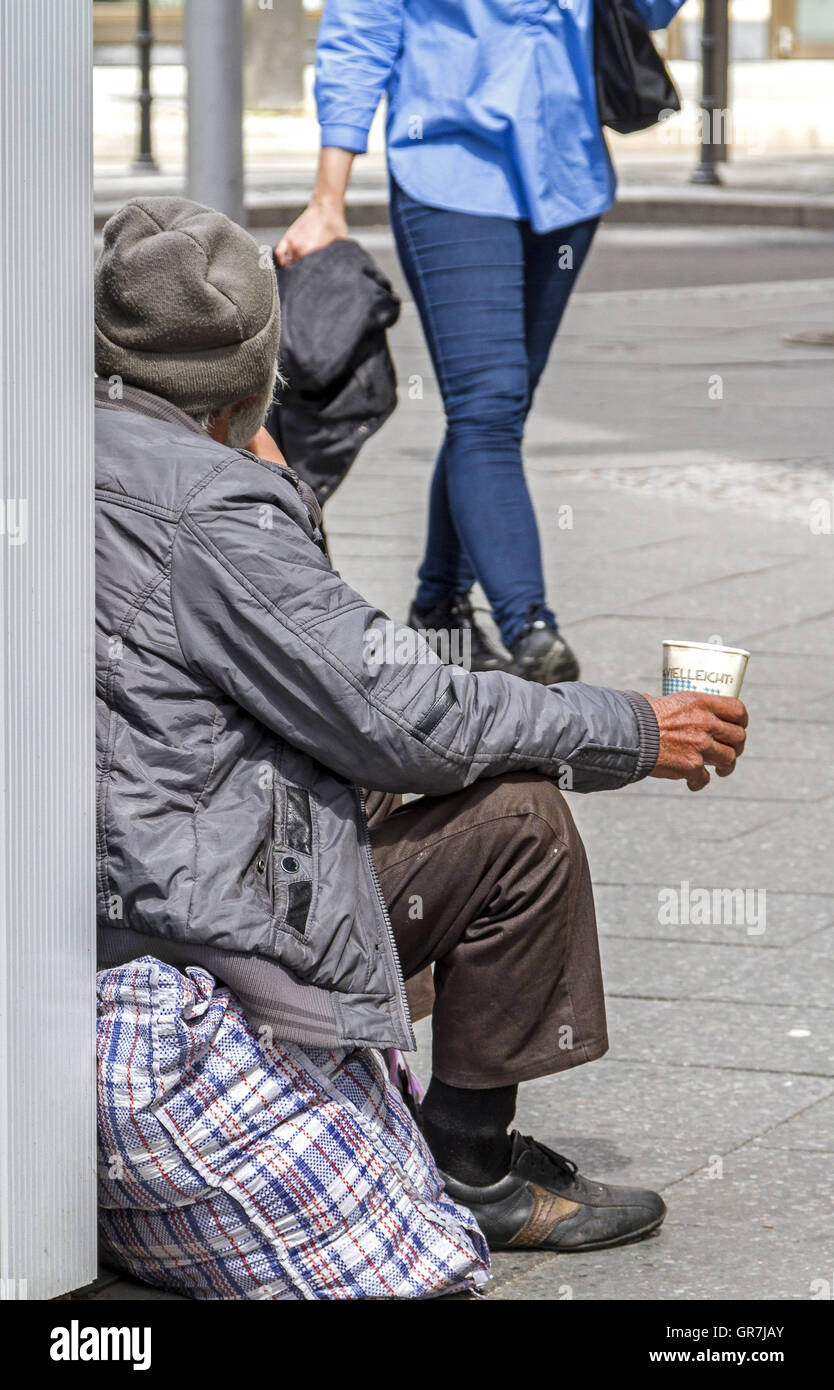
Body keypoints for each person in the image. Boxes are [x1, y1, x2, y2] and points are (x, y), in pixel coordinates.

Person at [95, 196, 747, 1262]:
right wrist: (633, 728)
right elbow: (407, 709)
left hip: (107, 880)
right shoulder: (214, 507)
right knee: (519, 821)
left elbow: (320, 681)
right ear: (253, 374)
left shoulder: (58, 448)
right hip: (189, 920)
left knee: (391, 780)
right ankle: (468, 1161)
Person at [278, 0, 688, 681]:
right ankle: (531, 626)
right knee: (489, 406)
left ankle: (439, 610)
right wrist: (329, 196)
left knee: (496, 410)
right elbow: (360, 29)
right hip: (451, 171)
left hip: (566, 174)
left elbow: (652, 9)